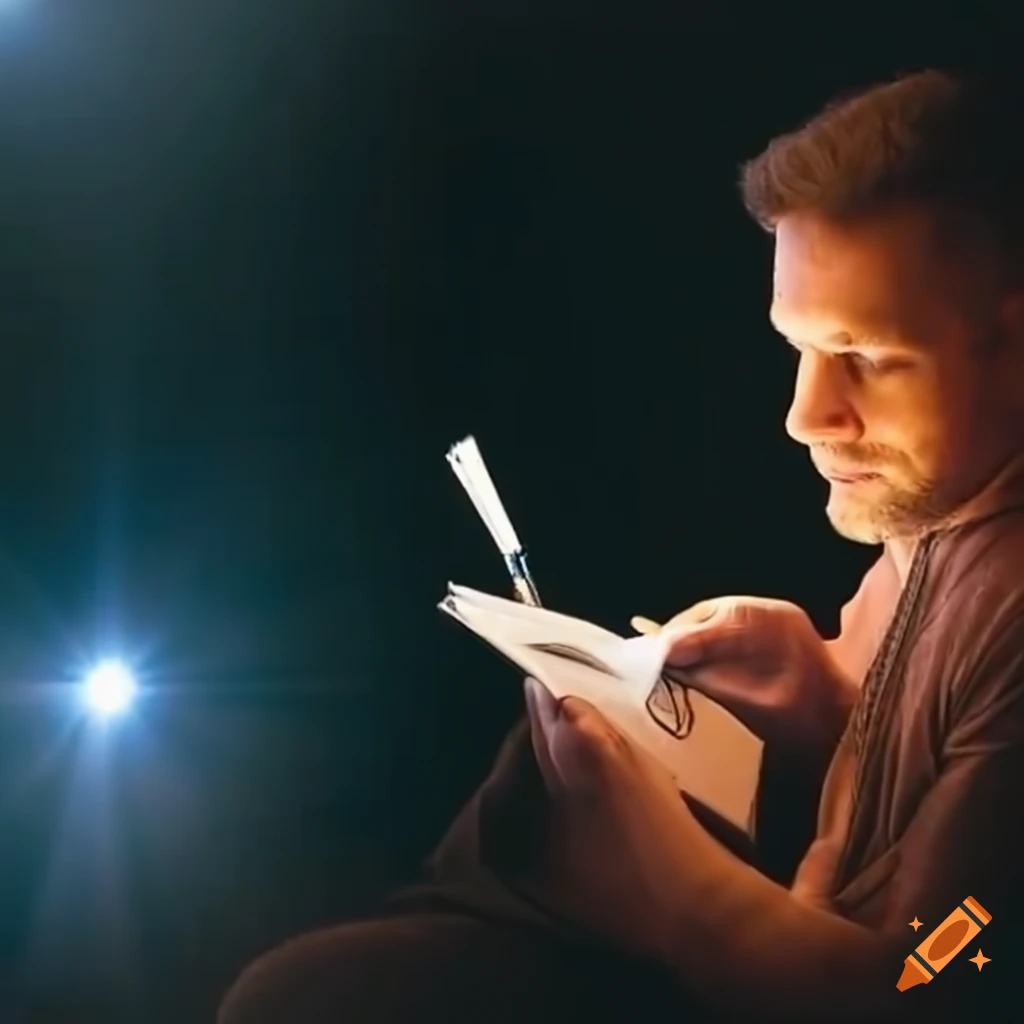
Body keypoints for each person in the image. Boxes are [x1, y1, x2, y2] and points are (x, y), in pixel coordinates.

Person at [218, 68, 1024, 1022]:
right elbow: (922, 765)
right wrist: (831, 699)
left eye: (869, 359)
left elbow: (944, 975)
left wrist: (679, 895)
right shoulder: (946, 508)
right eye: (799, 349)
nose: (806, 416)